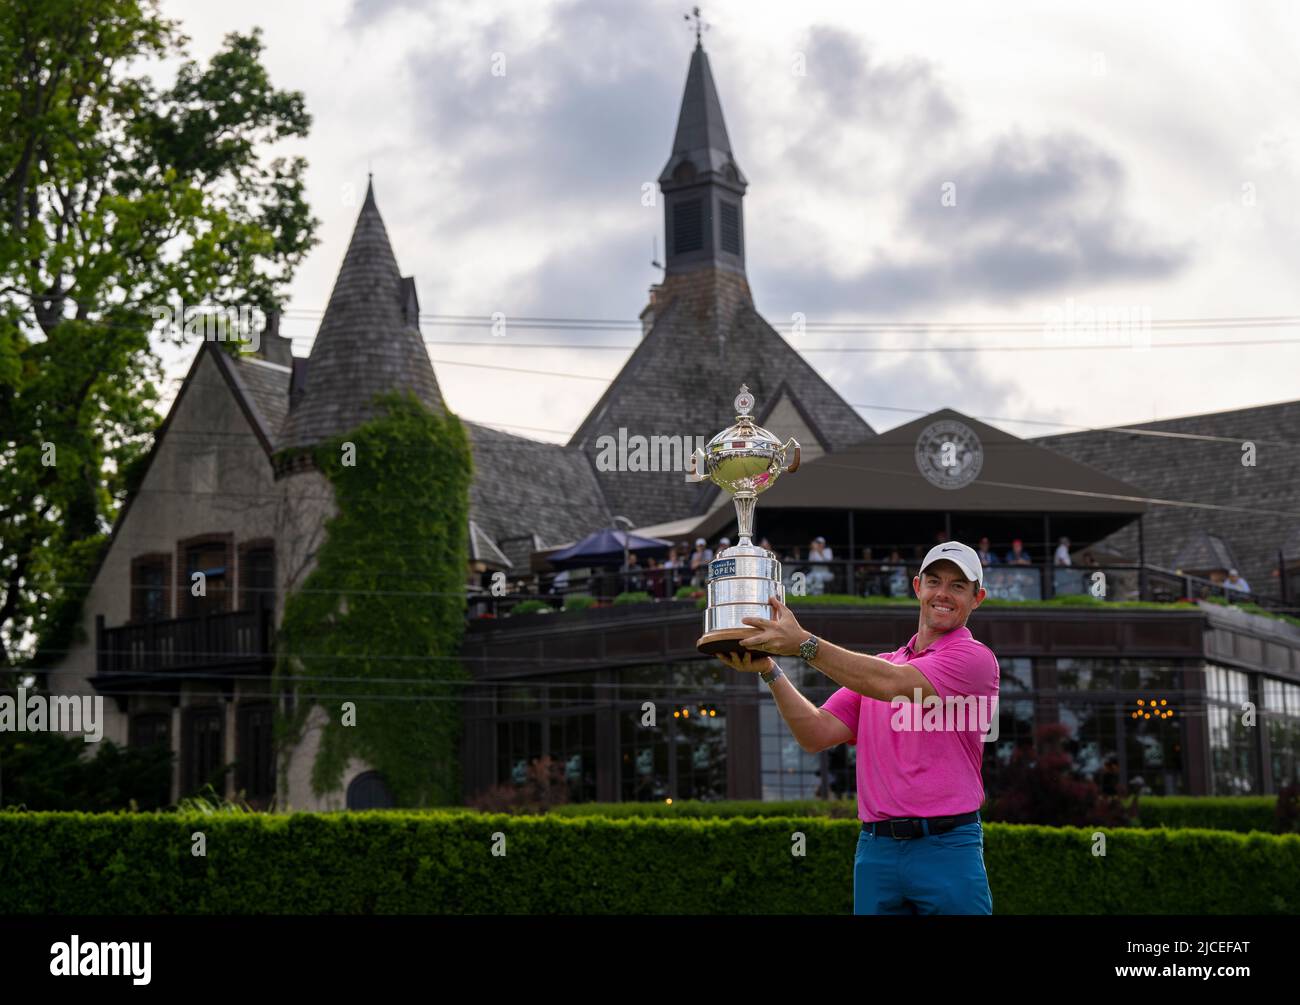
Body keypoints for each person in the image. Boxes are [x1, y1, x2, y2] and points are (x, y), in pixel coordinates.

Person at [717, 540, 998, 915]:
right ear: (918, 587)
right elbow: (815, 733)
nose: (942, 594)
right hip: (876, 850)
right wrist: (771, 670)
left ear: (977, 598)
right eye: (934, 582)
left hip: (947, 846)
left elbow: (894, 684)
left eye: (958, 586)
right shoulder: (881, 667)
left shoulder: (974, 659)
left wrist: (803, 644)